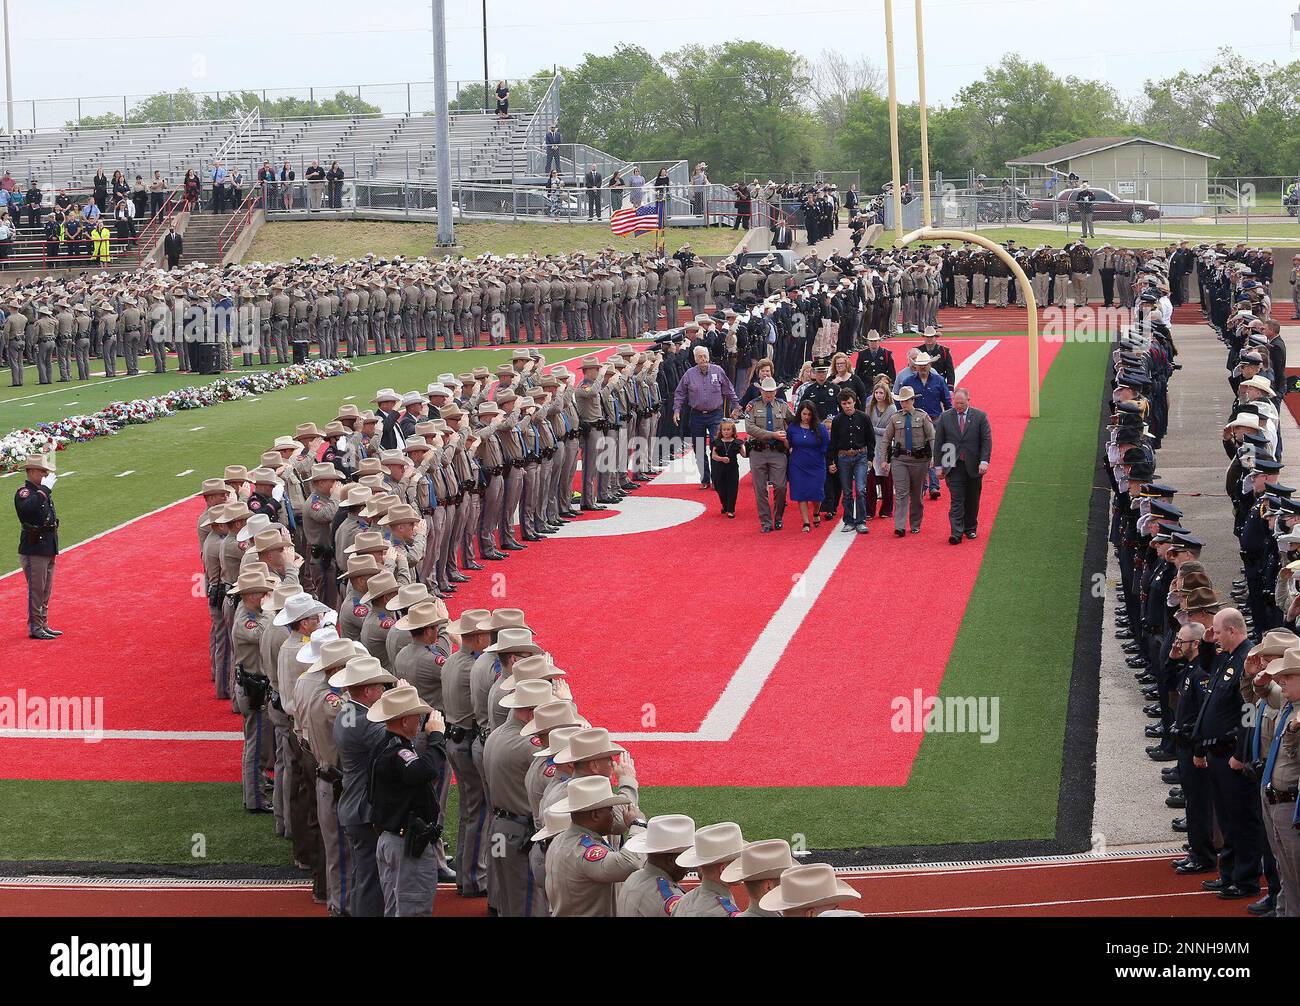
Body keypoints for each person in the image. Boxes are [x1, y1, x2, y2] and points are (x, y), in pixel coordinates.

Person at [366, 683, 447, 917]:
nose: (421, 721)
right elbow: (424, 770)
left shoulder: (383, 746)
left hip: (392, 838)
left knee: (394, 909)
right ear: (404, 722)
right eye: (417, 716)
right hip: (406, 845)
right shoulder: (397, 752)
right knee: (413, 910)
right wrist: (436, 738)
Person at [673, 345, 738, 490]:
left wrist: (737, 405)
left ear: (708, 357)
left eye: (704, 356)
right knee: (699, 448)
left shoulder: (718, 371)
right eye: (699, 356)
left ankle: (717, 478)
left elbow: (729, 389)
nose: (702, 359)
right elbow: (680, 394)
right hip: (696, 416)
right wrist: (676, 410)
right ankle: (704, 478)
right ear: (695, 359)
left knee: (717, 446)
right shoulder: (689, 374)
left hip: (715, 414)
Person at [933, 386, 992, 544]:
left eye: (962, 403)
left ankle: (970, 528)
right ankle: (956, 532)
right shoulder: (945, 417)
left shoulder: (980, 417)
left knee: (972, 499)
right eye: (956, 403)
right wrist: (938, 466)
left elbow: (986, 441)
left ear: (968, 401)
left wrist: (984, 461)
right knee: (956, 499)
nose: (959, 406)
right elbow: (939, 442)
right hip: (953, 465)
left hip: (974, 465)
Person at [14, 454, 60, 640]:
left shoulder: (41, 491)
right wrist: (44, 490)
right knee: (36, 589)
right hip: (34, 547)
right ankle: (35, 627)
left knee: (46, 589)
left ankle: (43, 624)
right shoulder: (25, 493)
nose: (46, 474)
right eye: (43, 471)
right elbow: (28, 510)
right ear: (32, 471)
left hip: (47, 545)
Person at [743, 376, 792, 533]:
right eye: (766, 392)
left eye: (772, 392)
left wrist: (788, 440)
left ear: (776, 391)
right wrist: (773, 435)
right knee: (760, 489)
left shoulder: (782, 406)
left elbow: (795, 421)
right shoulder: (752, 405)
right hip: (758, 451)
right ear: (760, 391)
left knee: (780, 486)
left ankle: (778, 518)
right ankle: (765, 521)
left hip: (777, 452)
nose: (769, 394)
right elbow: (750, 428)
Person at [884, 385, 935, 537]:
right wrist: (884, 459)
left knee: (916, 495)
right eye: (901, 401)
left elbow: (932, 437)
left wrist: (934, 457)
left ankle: (915, 524)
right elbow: (886, 440)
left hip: (920, 461)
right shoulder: (895, 418)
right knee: (900, 493)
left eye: (906, 401)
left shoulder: (923, 416)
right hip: (900, 460)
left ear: (913, 400)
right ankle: (899, 526)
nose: (903, 403)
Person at [828, 388, 875, 533]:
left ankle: (861, 521)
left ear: (854, 402)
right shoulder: (837, 420)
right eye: (844, 403)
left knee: (861, 489)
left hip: (860, 455)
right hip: (843, 457)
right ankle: (848, 520)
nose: (847, 406)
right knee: (847, 491)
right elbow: (833, 443)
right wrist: (832, 461)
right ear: (840, 404)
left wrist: (870, 458)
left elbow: (871, 440)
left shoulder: (864, 418)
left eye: (849, 403)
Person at [788, 400, 830, 533]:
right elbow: (789, 443)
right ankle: (806, 522)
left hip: (816, 464)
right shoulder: (793, 427)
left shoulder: (820, 428)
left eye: (809, 414)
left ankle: (816, 513)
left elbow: (826, 444)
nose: (806, 417)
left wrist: (824, 459)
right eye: (804, 414)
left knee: (816, 493)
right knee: (801, 493)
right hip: (798, 465)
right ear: (799, 413)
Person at [866, 379, 896, 520]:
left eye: (881, 392)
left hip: (886, 446)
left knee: (886, 480)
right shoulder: (869, 407)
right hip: (871, 446)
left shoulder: (892, 409)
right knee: (870, 481)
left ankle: (886, 510)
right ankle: (869, 511)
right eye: (876, 392)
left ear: (886, 394)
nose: (878, 395)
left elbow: (890, 431)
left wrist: (873, 429)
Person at [710, 418, 742, 518]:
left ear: (733, 431)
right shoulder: (717, 442)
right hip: (720, 469)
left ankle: (731, 509)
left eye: (728, 429)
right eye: (724, 430)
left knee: (732, 488)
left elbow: (744, 454)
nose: (726, 432)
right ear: (721, 431)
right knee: (720, 488)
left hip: (732, 469)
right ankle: (725, 505)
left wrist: (746, 445)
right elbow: (713, 456)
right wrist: (721, 459)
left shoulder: (737, 442)